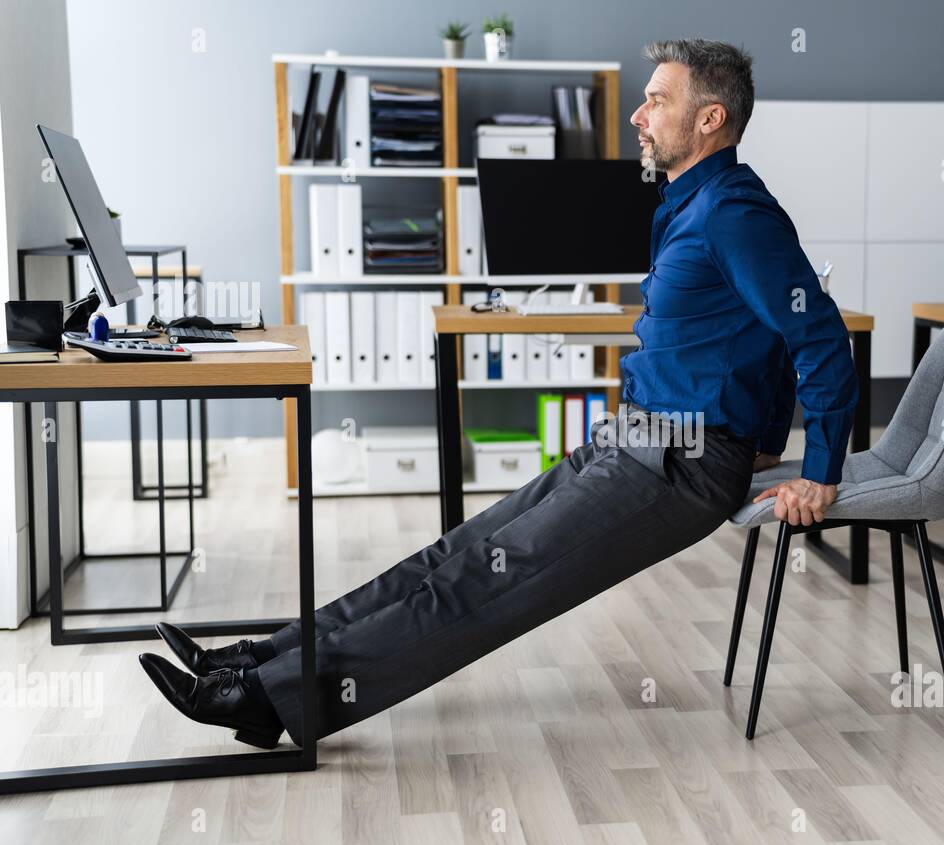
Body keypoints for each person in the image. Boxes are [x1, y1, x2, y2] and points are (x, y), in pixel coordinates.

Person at [138, 38, 859, 749]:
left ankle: (269, 702)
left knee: (476, 588)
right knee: (448, 557)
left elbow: (816, 335)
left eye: (656, 100)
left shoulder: (736, 213)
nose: (639, 116)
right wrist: (765, 440)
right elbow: (757, 335)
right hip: (638, 441)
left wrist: (819, 470)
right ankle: (264, 658)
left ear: (709, 120)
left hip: (681, 467)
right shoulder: (688, 203)